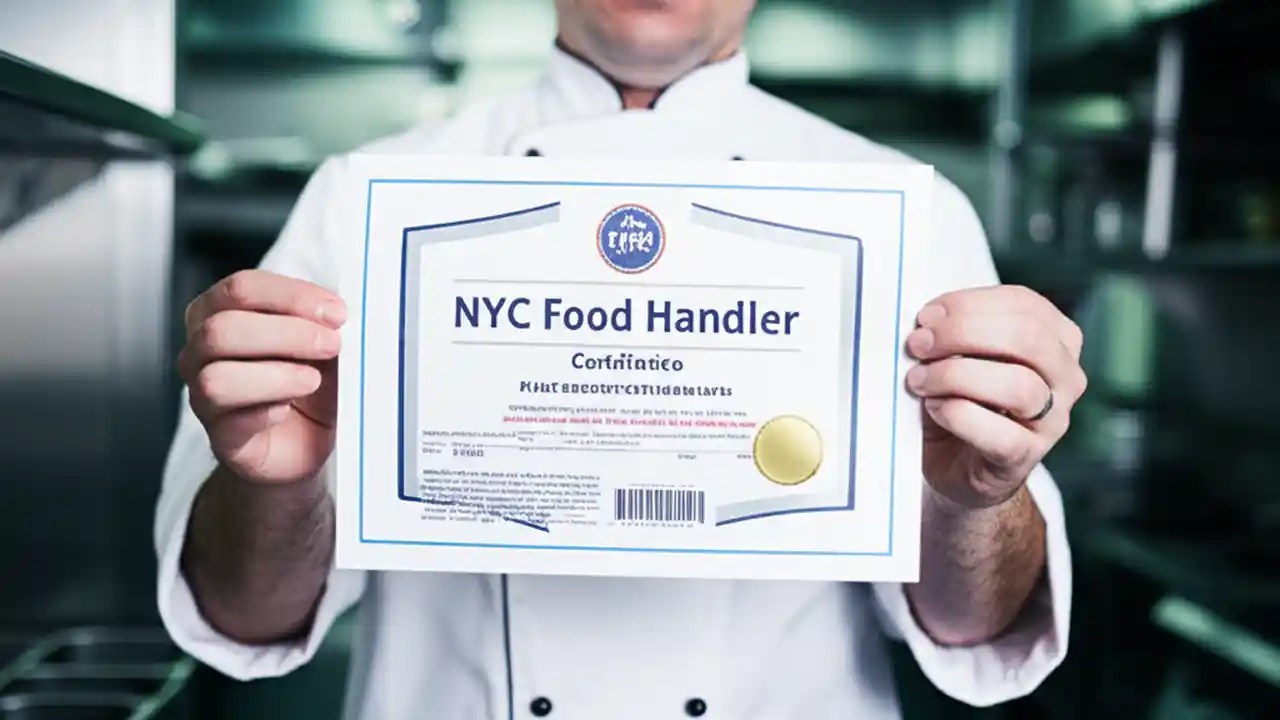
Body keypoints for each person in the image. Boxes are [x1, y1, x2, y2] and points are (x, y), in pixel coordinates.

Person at [155, 1, 1086, 718]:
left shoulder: (905, 211)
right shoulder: (365, 200)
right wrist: (277, 487)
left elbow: (976, 625)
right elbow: (245, 613)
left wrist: (975, 501)